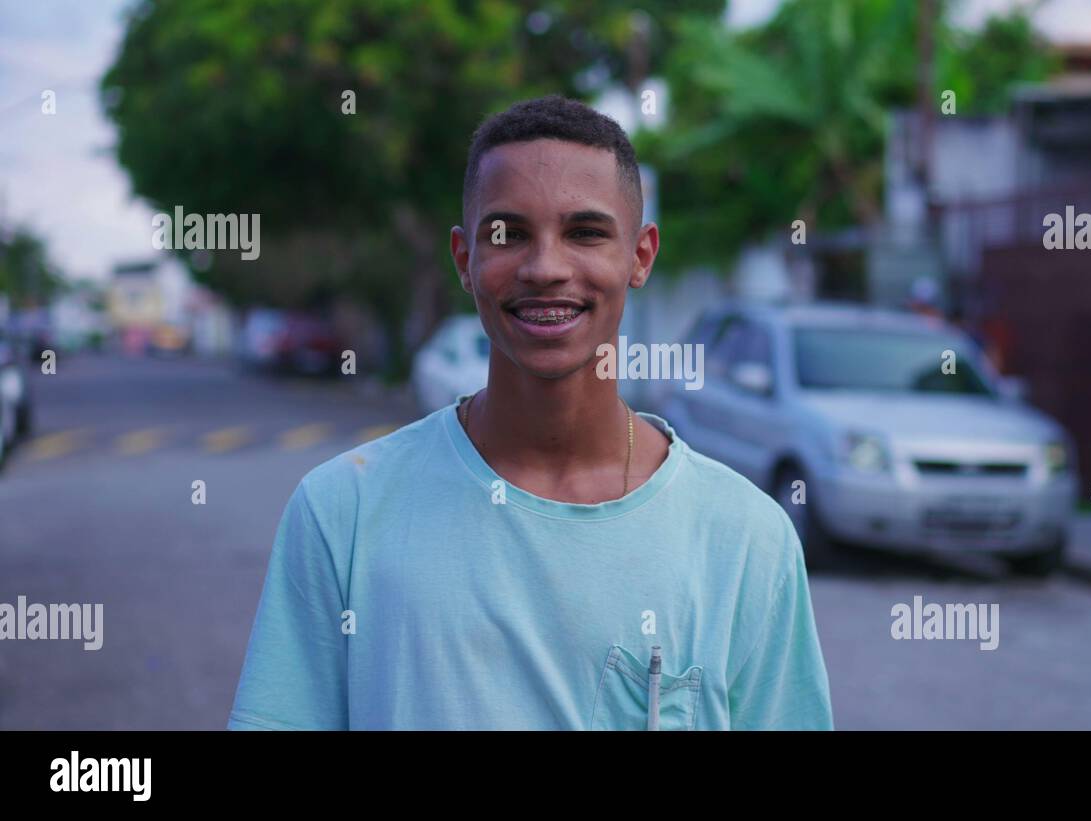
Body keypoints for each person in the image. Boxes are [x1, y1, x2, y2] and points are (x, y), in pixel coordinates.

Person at [227, 95, 833, 730]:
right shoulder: (341, 511)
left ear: (641, 256)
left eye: (586, 232)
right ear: (465, 260)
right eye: (507, 234)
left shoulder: (748, 540)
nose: (546, 267)